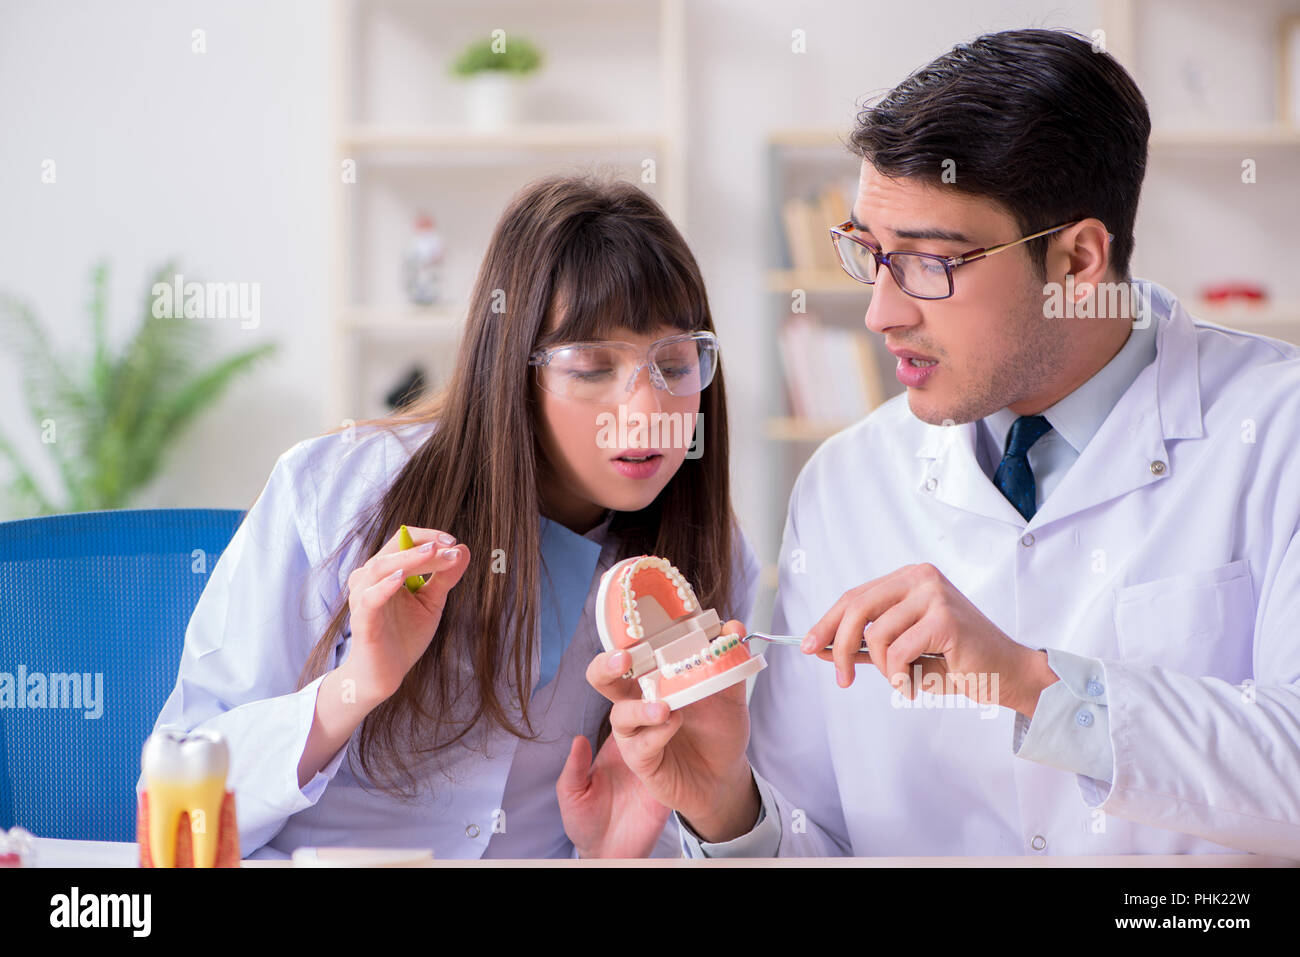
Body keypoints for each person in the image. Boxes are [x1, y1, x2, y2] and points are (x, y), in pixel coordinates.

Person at [587, 27, 1300, 859]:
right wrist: (727, 808)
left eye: (930, 262)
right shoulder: (845, 483)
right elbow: (817, 834)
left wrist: (1032, 683)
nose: (882, 312)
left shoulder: (1276, 431)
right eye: (870, 255)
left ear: (1077, 260)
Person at [141, 174, 759, 860]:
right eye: (590, 365)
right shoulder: (337, 489)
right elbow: (179, 790)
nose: (645, 411)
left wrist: (625, 852)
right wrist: (356, 685)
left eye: (675, 362)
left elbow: (718, 819)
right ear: (510, 370)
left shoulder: (698, 558)